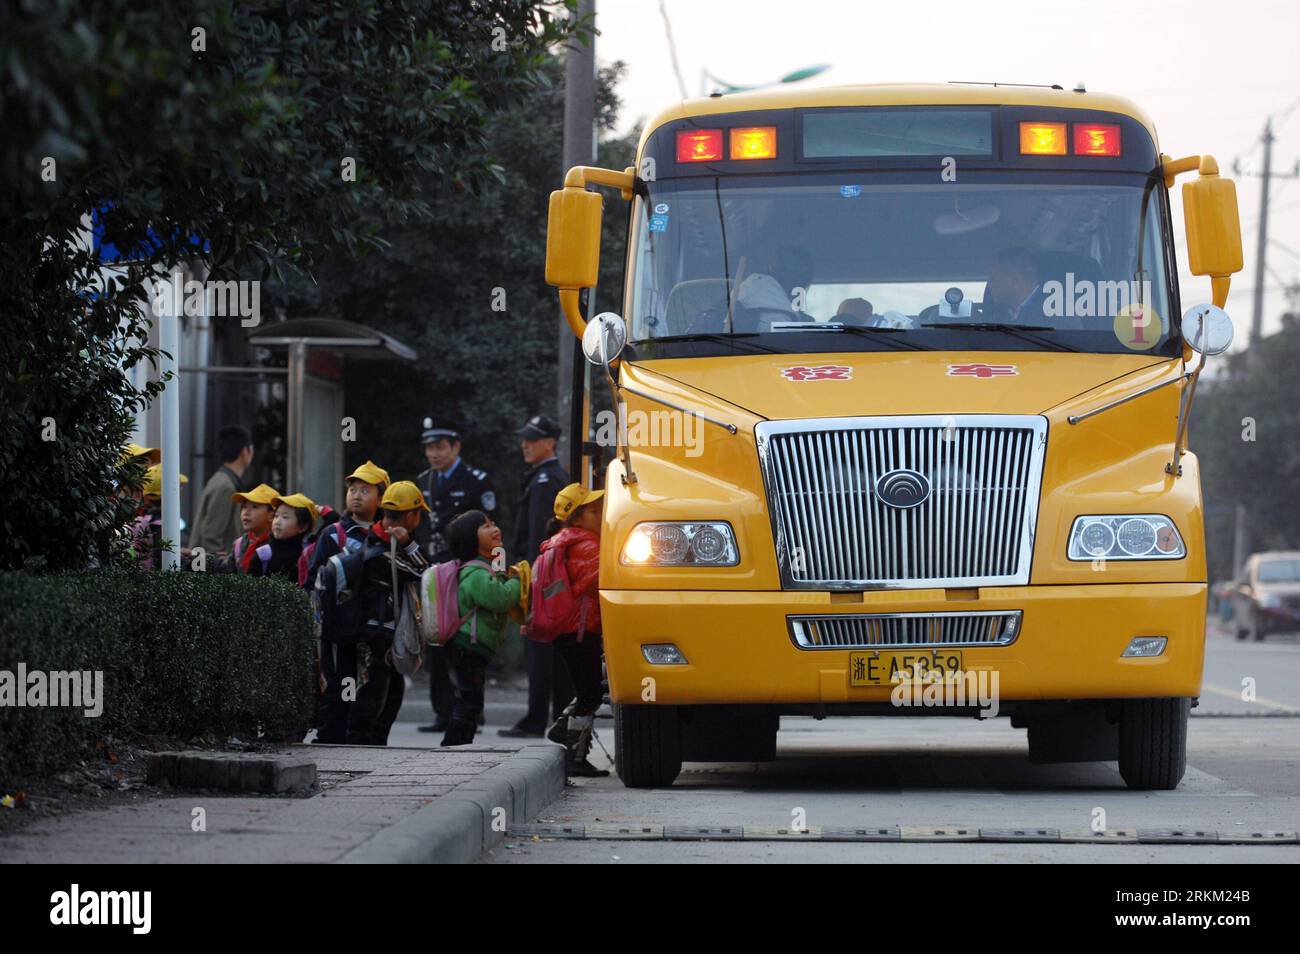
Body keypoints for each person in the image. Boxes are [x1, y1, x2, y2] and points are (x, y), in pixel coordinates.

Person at [412, 418, 498, 734]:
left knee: (468, 641)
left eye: (439, 447)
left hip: (466, 573)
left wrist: (495, 571)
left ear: (455, 446)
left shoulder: (477, 481)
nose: (433, 454)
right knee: (435, 636)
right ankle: (443, 710)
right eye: (429, 448)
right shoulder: (424, 481)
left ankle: (472, 709)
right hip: (434, 572)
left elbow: (491, 531)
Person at [500, 414, 574, 738]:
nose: (525, 445)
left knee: (541, 649)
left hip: (542, 577)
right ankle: (556, 718)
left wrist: (531, 579)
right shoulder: (546, 475)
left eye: (532, 440)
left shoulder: (546, 479)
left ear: (549, 442)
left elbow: (536, 537)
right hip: (549, 576)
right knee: (551, 650)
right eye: (524, 439)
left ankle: (537, 719)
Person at [310, 460, 390, 744]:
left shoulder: (390, 535)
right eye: (353, 489)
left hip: (375, 628)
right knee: (339, 682)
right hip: (338, 627)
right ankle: (332, 737)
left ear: (382, 497)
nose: (356, 495)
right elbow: (313, 578)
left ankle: (366, 739)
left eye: (365, 490)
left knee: (375, 687)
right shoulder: (333, 534)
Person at [346, 480, 432, 746]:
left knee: (391, 692)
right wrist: (409, 545)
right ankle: (359, 747)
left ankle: (375, 746)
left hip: (384, 631)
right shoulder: (379, 551)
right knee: (374, 694)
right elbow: (424, 572)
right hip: (376, 632)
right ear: (411, 516)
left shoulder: (377, 539)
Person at [541, 483, 608, 777]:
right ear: (577, 518)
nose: (602, 514)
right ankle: (576, 756)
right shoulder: (588, 546)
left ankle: (562, 726)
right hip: (580, 630)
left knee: (589, 687)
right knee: (591, 693)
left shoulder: (562, 541)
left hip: (568, 630)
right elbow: (602, 576)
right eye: (595, 511)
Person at [443, 509, 523, 746]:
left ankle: (460, 746)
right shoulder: (474, 572)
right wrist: (519, 581)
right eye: (486, 526)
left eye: (494, 522)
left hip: (473, 648)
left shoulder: (487, 565)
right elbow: (500, 597)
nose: (495, 528)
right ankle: (452, 747)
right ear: (471, 539)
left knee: (472, 702)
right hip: (466, 646)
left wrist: (498, 550)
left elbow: (499, 574)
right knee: (469, 702)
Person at [191, 425, 254, 556]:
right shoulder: (226, 486)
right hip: (214, 569)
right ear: (245, 451)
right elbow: (211, 537)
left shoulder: (223, 480)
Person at [127, 464, 188, 570]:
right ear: (170, 493)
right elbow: (166, 560)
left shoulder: (144, 518)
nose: (181, 491)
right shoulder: (162, 525)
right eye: (178, 487)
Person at [249, 493, 318, 581]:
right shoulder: (262, 554)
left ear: (303, 526)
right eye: (276, 516)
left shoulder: (309, 555)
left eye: (285, 517)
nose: (277, 522)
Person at [226, 483, 281, 574]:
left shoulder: (279, 546)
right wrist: (198, 559)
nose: (246, 512)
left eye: (254, 507)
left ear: (272, 515)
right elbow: (227, 569)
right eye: (244, 507)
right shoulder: (240, 544)